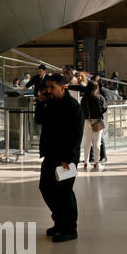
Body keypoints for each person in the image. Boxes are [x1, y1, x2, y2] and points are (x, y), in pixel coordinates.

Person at [37, 75, 83, 243]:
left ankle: (70, 229)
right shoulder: (50, 103)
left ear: (63, 87)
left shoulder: (73, 107)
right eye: (47, 87)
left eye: (52, 87)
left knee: (64, 192)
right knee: (46, 187)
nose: (48, 90)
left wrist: (68, 158)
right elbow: (39, 120)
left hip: (66, 158)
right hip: (51, 154)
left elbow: (76, 135)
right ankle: (60, 222)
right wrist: (40, 102)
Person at [78, 81, 107, 171]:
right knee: (97, 143)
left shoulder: (84, 98)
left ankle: (86, 162)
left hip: (87, 121)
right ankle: (97, 163)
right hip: (97, 122)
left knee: (87, 142)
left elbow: (81, 109)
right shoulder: (100, 98)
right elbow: (104, 108)